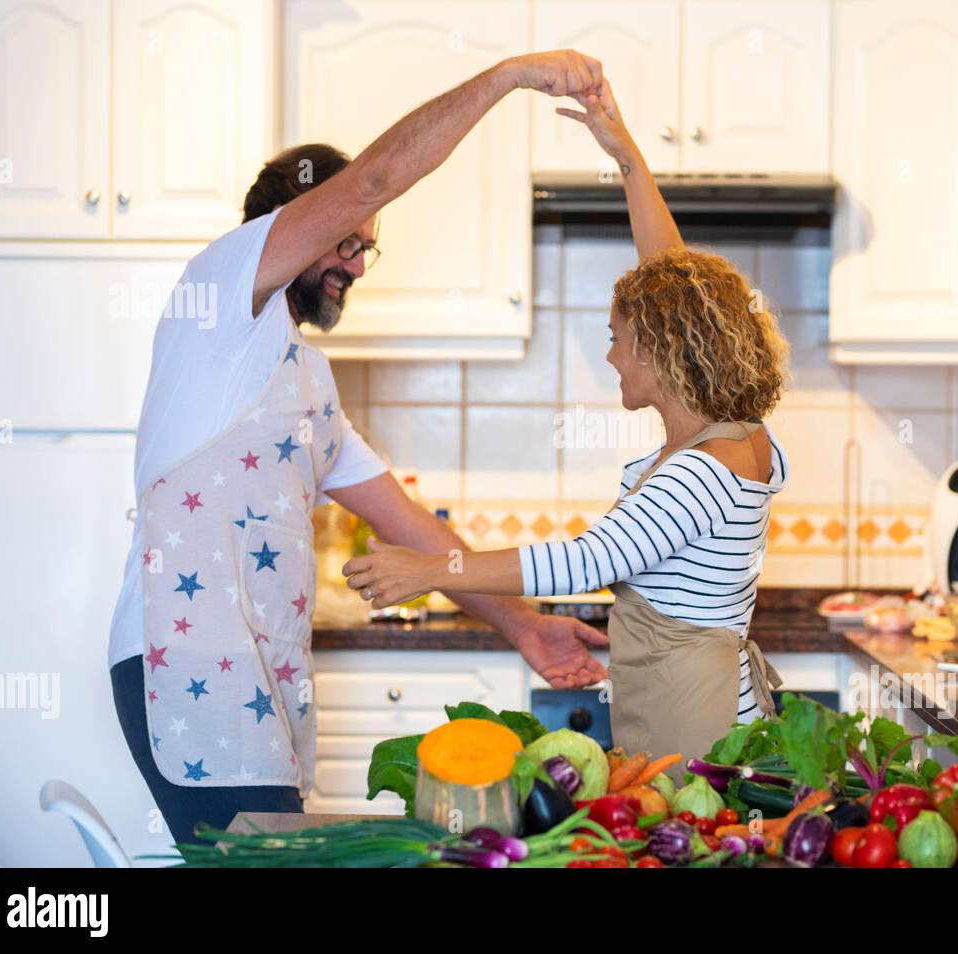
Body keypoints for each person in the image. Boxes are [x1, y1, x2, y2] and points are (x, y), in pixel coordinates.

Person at [108, 51, 613, 848]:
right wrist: (509, 77)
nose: (353, 266)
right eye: (345, 241)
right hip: (185, 658)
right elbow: (374, 177)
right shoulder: (222, 295)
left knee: (274, 863)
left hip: (250, 677)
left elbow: (409, 523)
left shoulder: (302, 379)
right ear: (289, 222)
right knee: (266, 868)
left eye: (365, 250)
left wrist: (520, 625)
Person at [343, 83, 791, 765]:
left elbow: (584, 559)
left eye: (616, 337)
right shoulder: (740, 435)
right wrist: (629, 159)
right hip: (704, 709)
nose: (610, 354)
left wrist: (430, 568)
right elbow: (679, 291)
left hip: (704, 739)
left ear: (658, 350)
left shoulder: (701, 473)